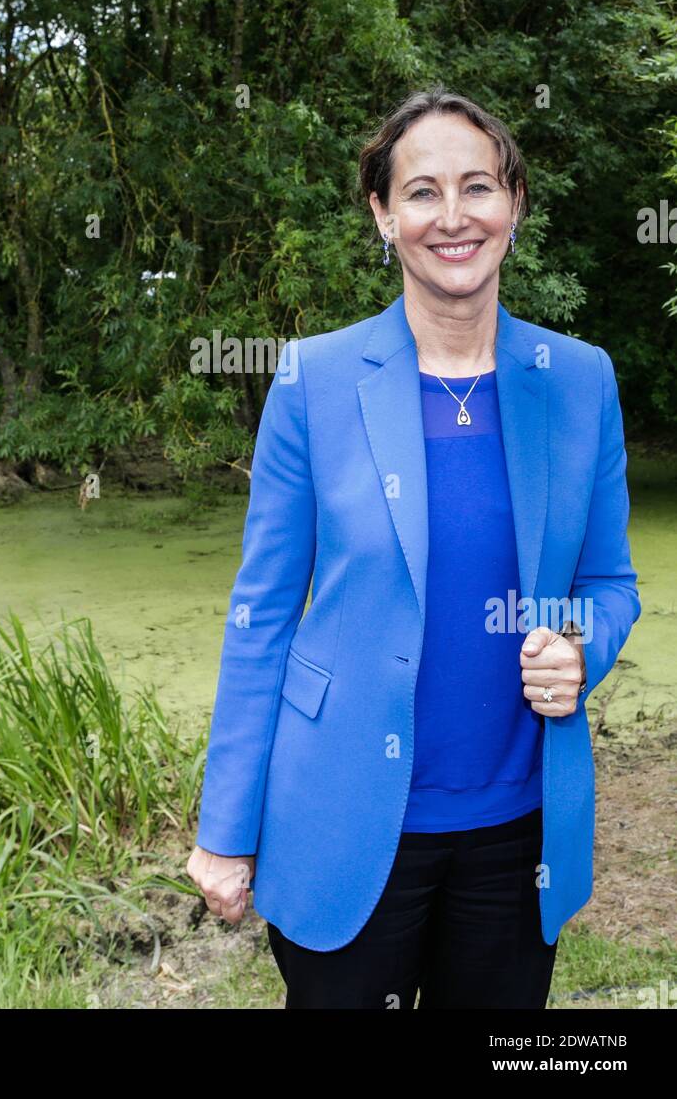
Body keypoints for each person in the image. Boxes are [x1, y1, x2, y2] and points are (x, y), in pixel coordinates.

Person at [187, 86, 641, 1009]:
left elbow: (609, 580)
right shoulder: (314, 380)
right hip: (347, 819)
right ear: (384, 217)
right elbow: (262, 614)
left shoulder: (580, 382)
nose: (453, 215)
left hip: (517, 834)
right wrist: (227, 826)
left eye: (478, 186)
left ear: (513, 205)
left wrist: (584, 644)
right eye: (422, 192)